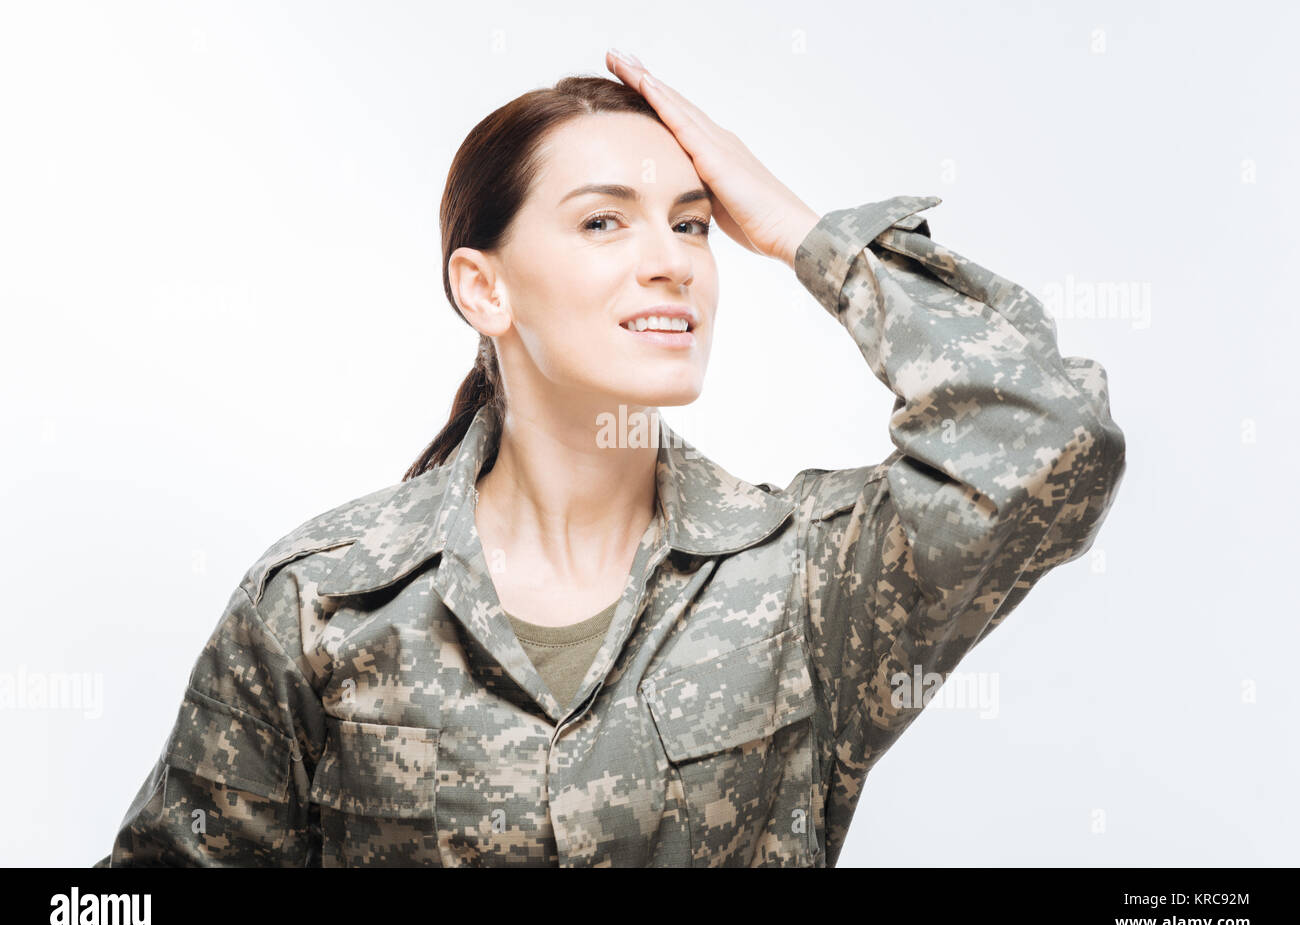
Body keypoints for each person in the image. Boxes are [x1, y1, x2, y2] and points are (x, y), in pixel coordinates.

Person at [95, 49, 1126, 868]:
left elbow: (1049, 439)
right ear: (483, 288)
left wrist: (800, 231)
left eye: (691, 224)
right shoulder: (320, 604)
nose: (671, 259)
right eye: (603, 221)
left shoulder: (806, 584)